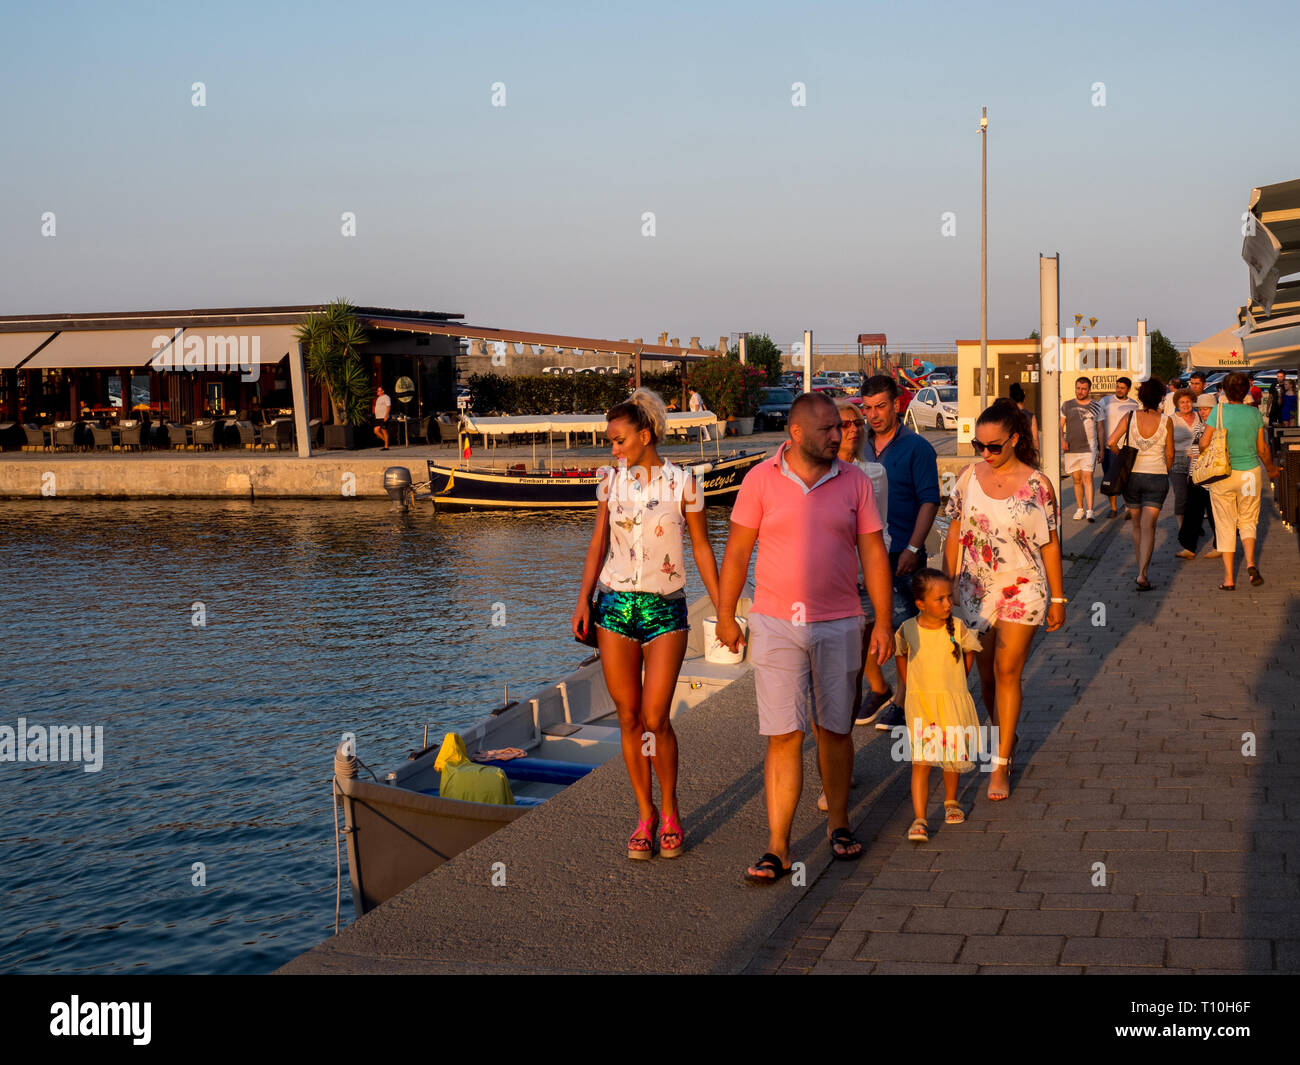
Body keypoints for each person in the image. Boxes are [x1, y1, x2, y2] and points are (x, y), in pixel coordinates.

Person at [713, 392, 893, 881]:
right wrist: (726, 616)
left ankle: (839, 825)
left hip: (839, 622)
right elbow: (736, 554)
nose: (839, 435)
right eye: (827, 429)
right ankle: (777, 846)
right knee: (783, 735)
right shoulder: (758, 480)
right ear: (795, 434)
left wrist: (881, 620)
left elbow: (874, 554)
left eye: (840, 427)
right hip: (775, 624)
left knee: (835, 730)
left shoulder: (855, 481)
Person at [571, 389, 721, 859]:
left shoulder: (684, 484)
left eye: (618, 440)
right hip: (614, 606)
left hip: (665, 608)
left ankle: (671, 809)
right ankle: (645, 814)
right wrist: (582, 602)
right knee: (629, 717)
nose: (612, 449)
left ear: (645, 435)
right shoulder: (609, 484)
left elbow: (700, 548)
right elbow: (597, 544)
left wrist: (724, 611)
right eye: (609, 442)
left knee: (656, 718)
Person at [944, 399, 1066, 802]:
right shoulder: (967, 479)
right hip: (974, 588)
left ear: (1014, 439)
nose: (986, 453)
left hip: (1024, 587)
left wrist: (1058, 597)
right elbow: (953, 533)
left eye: (994, 446)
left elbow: (1050, 544)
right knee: (986, 678)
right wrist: (946, 587)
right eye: (980, 445)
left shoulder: (1039, 485)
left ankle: (1001, 762)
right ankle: (1004, 736)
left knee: (1007, 669)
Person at [858, 374, 941, 733]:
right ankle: (879, 687)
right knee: (858, 628)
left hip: (902, 552)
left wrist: (914, 546)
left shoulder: (917, 448)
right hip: (862, 554)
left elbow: (930, 500)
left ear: (897, 405)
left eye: (880, 407)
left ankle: (903, 700)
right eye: (867, 408)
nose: (873, 415)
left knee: (905, 631)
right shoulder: (857, 445)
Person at [895, 569, 983, 842]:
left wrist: (959, 680)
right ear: (920, 604)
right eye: (939, 599)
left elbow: (969, 652)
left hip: (952, 699)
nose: (947, 604)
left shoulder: (957, 627)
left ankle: (950, 802)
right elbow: (900, 655)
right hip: (922, 703)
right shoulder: (908, 629)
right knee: (921, 762)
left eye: (949, 597)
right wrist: (911, 685)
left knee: (952, 758)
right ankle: (919, 818)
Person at [1198, 372, 1282, 590]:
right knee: (1248, 519)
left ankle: (1228, 578)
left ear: (1224, 389)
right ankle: (1251, 563)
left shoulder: (1218, 411)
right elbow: (1263, 449)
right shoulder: (1253, 414)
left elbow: (1203, 443)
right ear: (1247, 389)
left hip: (1223, 474)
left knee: (1225, 523)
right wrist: (1271, 470)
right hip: (1250, 474)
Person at [1108, 377, 1174, 590]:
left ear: (1141, 397)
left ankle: (1140, 570)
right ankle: (1143, 574)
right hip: (1157, 475)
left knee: (1137, 526)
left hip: (1132, 477)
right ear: (1161, 398)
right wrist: (1166, 470)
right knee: (1150, 527)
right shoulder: (1166, 421)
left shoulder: (1129, 417)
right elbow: (1170, 454)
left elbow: (1111, 442)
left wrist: (1124, 460)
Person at [1170, 389, 1210, 559]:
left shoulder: (1200, 417)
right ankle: (1182, 530)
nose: (1186, 405)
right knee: (1181, 497)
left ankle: (1193, 528)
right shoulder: (1171, 420)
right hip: (1178, 462)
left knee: (1197, 499)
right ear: (1177, 405)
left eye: (1188, 401)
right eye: (1182, 402)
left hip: (1199, 463)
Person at [1060, 377, 1102, 521]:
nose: (1080, 391)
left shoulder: (1096, 406)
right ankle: (1080, 509)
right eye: (1078, 388)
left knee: (1087, 478)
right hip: (1071, 448)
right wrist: (1062, 440)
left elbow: (1100, 429)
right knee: (1076, 479)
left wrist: (1101, 449)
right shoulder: (1067, 405)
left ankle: (1090, 510)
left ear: (1089, 390)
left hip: (1089, 448)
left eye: (1083, 389)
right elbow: (1060, 426)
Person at [1097, 377, 1139, 518]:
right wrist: (1100, 447)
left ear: (1128, 389)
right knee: (1110, 478)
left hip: (1127, 448)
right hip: (1109, 448)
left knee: (1127, 478)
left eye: (1122, 387)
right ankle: (1113, 508)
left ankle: (1128, 507)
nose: (1119, 390)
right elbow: (1099, 424)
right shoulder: (1105, 401)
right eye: (1118, 387)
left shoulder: (1134, 405)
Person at [1008, 382, 1040, 452]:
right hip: (1026, 451)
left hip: (1011, 452)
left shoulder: (1007, 415)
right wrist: (1037, 452)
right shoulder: (1030, 416)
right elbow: (1035, 438)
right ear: (1024, 399)